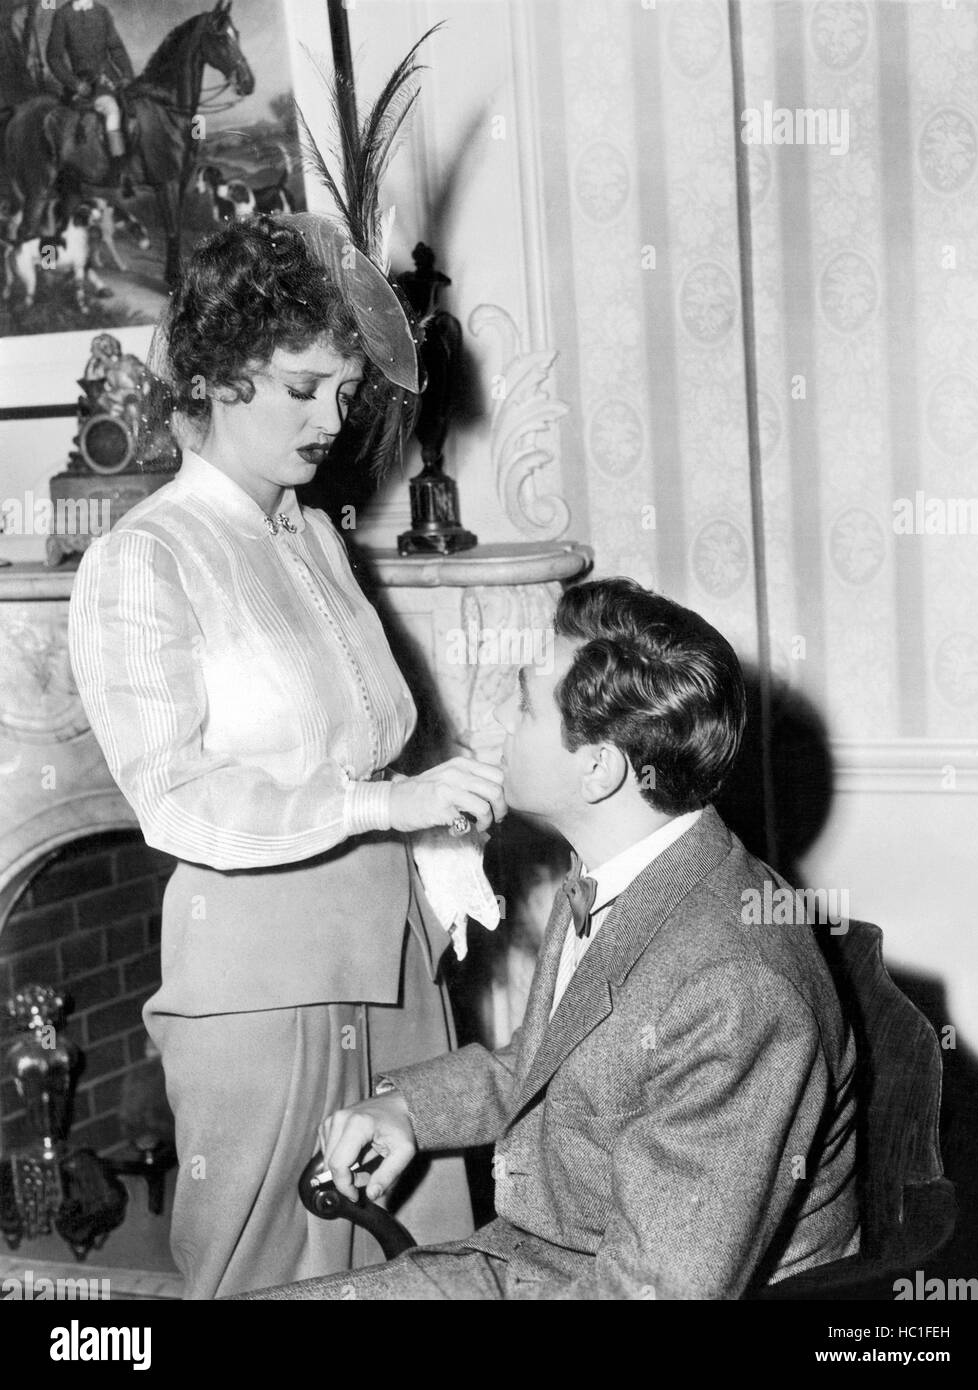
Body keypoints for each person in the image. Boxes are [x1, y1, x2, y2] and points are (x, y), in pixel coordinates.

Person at [68, 213, 506, 1298]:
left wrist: (442, 829)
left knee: (423, 1270)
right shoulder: (145, 560)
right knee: (265, 1280)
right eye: (303, 386)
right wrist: (384, 808)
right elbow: (175, 799)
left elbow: (378, 728)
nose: (332, 415)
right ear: (216, 379)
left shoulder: (311, 534)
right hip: (263, 989)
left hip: (394, 955)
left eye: (346, 391)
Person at [240, 578, 860, 1300]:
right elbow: (557, 1066)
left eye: (529, 706)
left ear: (598, 768)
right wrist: (407, 1108)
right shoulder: (621, 872)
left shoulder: (734, 990)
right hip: (541, 1267)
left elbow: (654, 1291)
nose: (505, 718)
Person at [45, 0, 134, 196]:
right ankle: (118, 172)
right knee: (112, 111)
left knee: (133, 109)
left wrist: (127, 74)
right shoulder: (63, 15)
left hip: (108, 80)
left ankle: (129, 168)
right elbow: (54, 57)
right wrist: (75, 84)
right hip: (81, 84)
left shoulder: (102, 11)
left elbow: (116, 48)